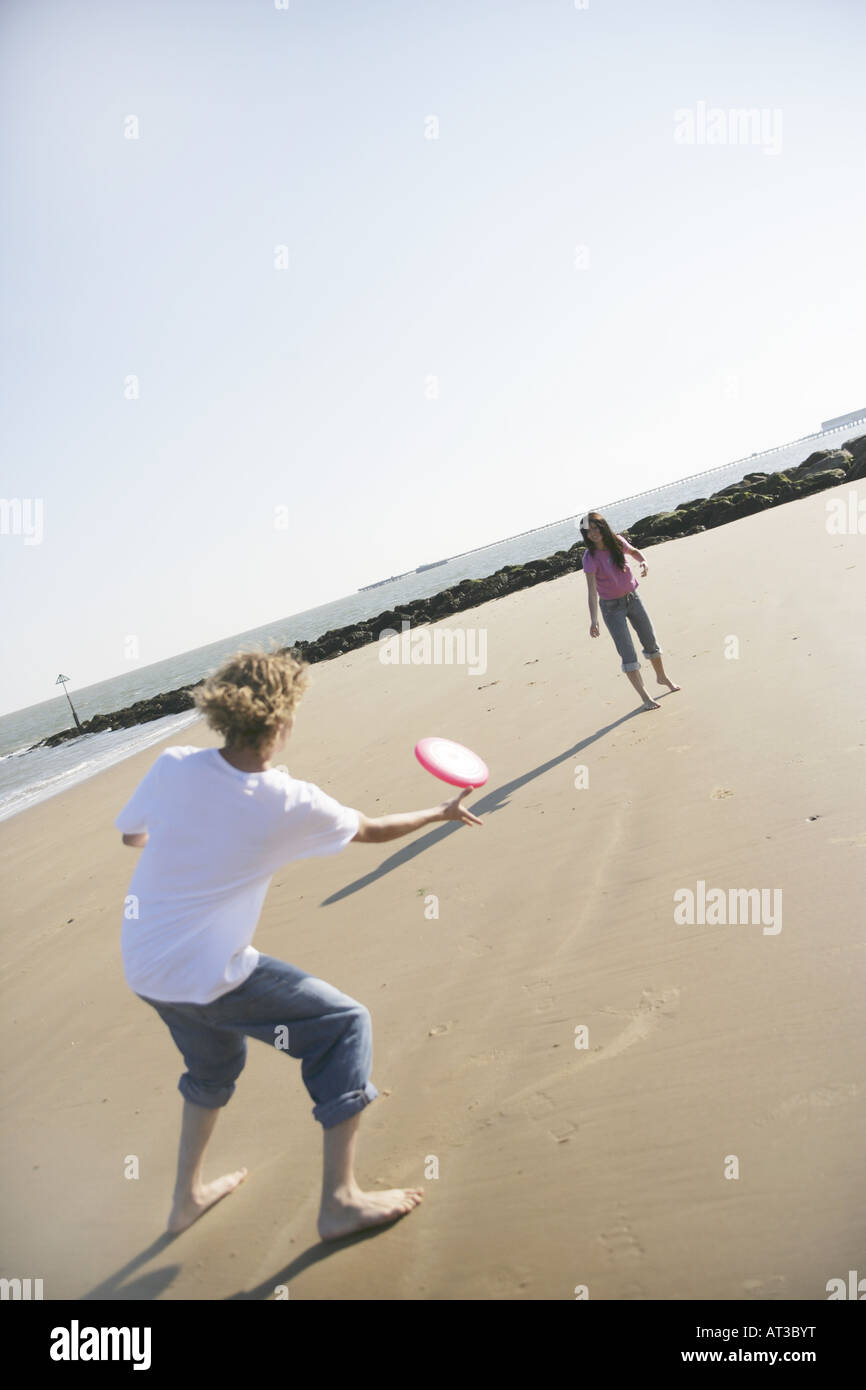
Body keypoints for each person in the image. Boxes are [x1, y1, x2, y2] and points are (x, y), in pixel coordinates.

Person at [114, 643, 482, 1241]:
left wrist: (196, 850)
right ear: (282, 722)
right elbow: (370, 829)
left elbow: (134, 836)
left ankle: (185, 1200)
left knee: (213, 1069)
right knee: (343, 1023)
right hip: (208, 971)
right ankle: (339, 1201)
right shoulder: (287, 801)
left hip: (146, 966)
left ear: (222, 712)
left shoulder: (173, 764)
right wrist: (438, 813)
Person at [579, 511, 680, 710]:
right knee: (627, 652)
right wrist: (594, 620)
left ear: (602, 527)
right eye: (588, 531)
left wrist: (643, 561)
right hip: (611, 608)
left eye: (595, 528)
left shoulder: (617, 541)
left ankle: (662, 677)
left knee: (650, 640)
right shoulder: (589, 557)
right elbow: (591, 592)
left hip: (633, 599)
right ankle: (645, 697)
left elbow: (634, 552)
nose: (593, 533)